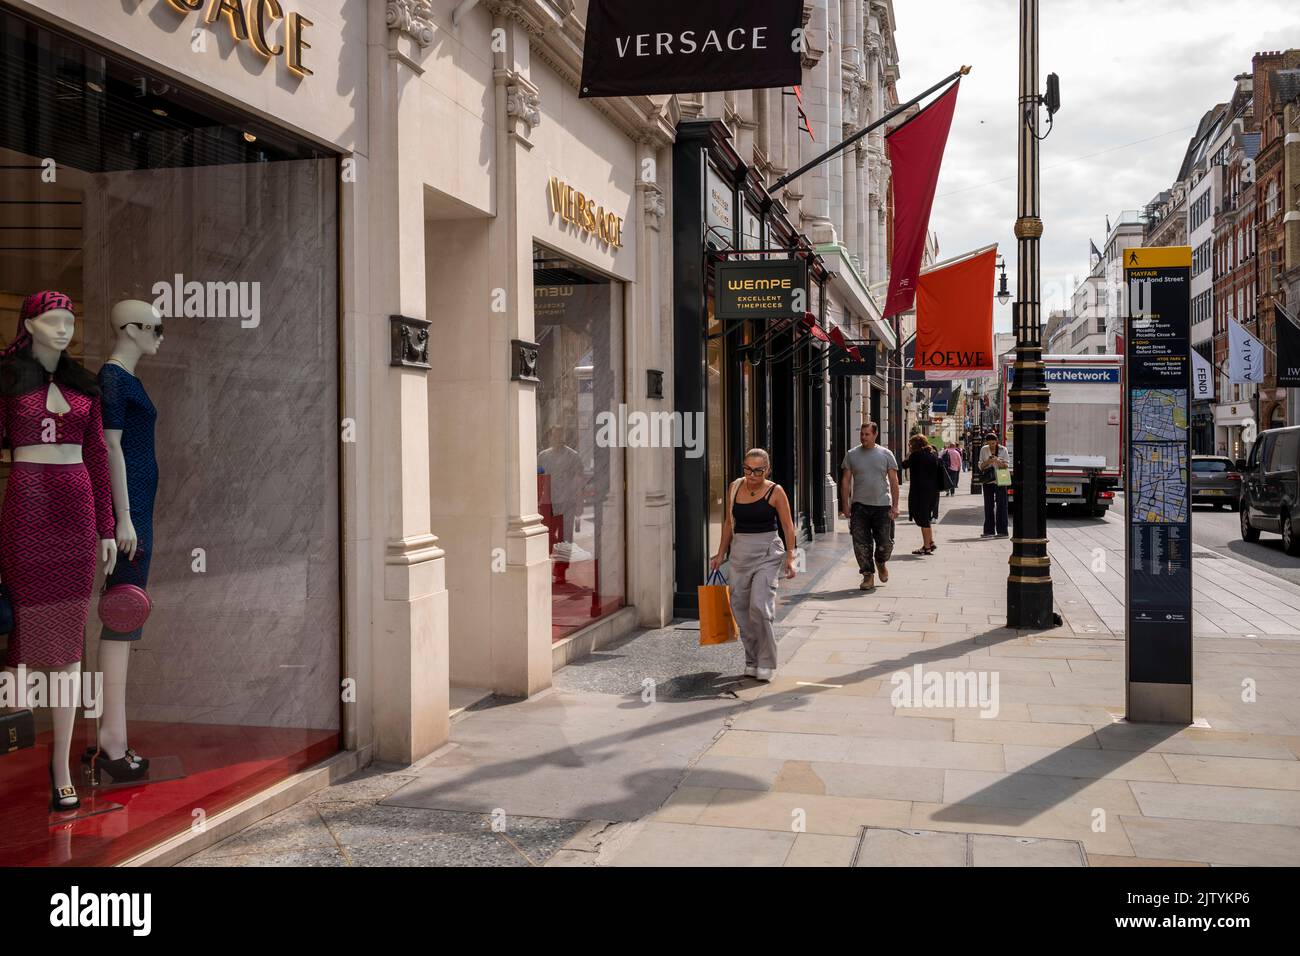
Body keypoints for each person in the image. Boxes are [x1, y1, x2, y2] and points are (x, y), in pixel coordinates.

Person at [710, 449, 797, 682]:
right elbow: (730, 522)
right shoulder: (735, 487)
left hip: (767, 552)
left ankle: (766, 661)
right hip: (739, 553)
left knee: (760, 606)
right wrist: (720, 554)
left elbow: (788, 527)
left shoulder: (775, 491)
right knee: (740, 607)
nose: (752, 475)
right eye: (748, 469)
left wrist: (790, 556)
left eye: (758, 470)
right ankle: (752, 659)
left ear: (767, 470)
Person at [839, 422, 900, 590]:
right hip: (860, 506)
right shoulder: (852, 455)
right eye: (862, 434)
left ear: (875, 435)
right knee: (860, 543)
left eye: (867, 434)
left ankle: (880, 561)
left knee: (885, 543)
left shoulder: (886, 454)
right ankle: (868, 575)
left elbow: (894, 481)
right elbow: (845, 481)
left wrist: (895, 506)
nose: (863, 437)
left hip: (882, 506)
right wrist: (845, 504)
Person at [903, 435, 945, 555]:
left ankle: (926, 547)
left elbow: (904, 465)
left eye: (910, 444)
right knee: (926, 517)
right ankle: (930, 542)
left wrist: (909, 453)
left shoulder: (916, 456)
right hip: (933, 491)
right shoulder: (933, 454)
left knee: (922, 518)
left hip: (920, 492)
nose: (909, 446)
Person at [979, 432, 1010, 538]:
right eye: (989, 443)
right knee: (988, 505)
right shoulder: (983, 449)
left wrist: (997, 460)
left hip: (1001, 479)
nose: (991, 445)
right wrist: (988, 461)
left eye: (993, 443)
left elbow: (1006, 466)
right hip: (988, 480)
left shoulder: (1003, 450)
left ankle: (1002, 531)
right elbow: (981, 466)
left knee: (1002, 505)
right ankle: (989, 530)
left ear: (997, 441)